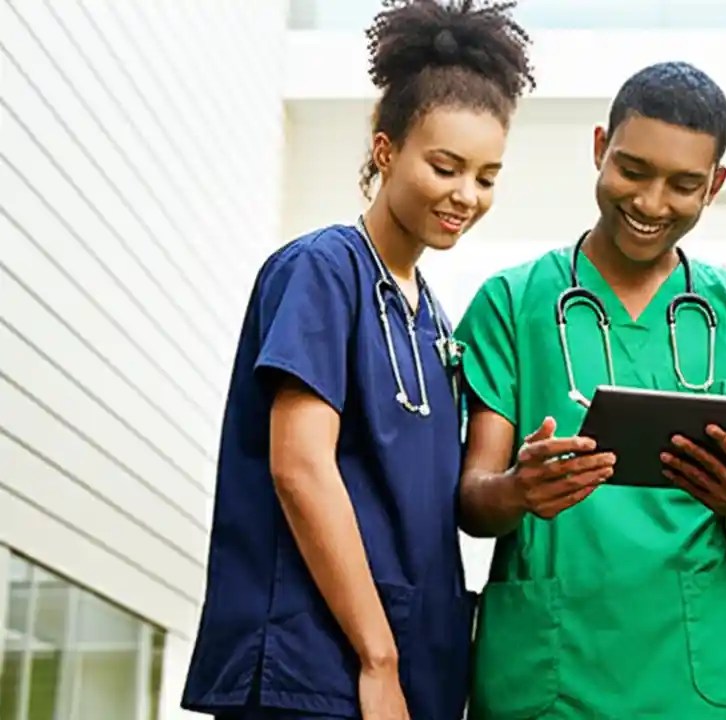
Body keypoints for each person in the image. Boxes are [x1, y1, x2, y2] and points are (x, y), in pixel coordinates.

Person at [179, 2, 535, 718]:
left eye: (487, 176)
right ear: (384, 152)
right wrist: (377, 657)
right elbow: (300, 466)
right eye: (445, 166)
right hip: (314, 666)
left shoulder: (432, 318)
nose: (466, 195)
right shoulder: (322, 271)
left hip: (411, 675)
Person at [454, 61, 726, 719]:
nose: (650, 203)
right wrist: (518, 491)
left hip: (705, 677)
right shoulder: (512, 303)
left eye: (684, 184)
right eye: (632, 170)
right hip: (552, 674)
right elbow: (473, 501)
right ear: (600, 146)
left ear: (715, 184)